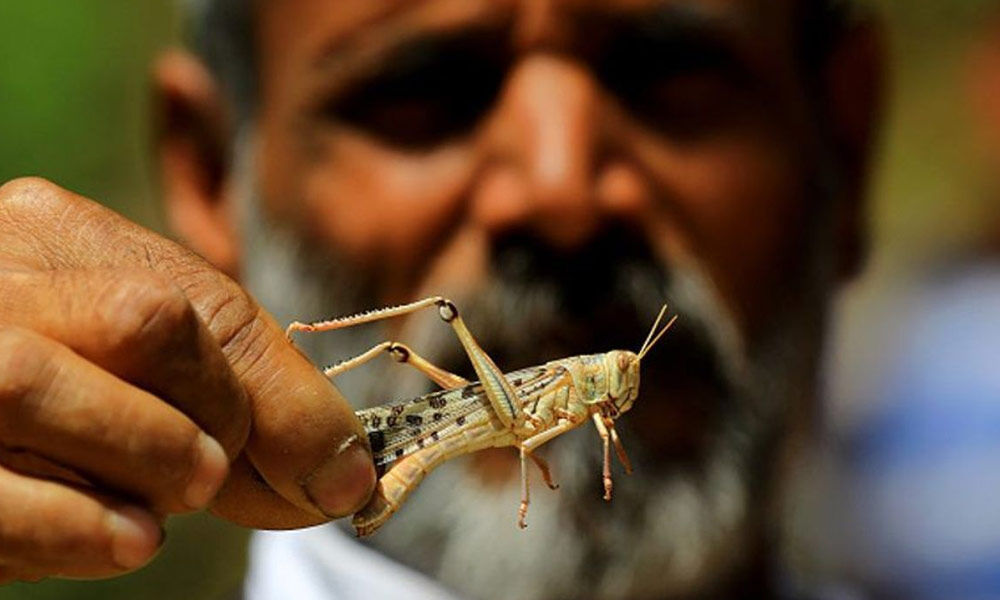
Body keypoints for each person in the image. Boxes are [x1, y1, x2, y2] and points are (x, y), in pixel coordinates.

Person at [0, 0, 884, 597]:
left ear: (844, 146)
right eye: (421, 91)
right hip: (464, 416)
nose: (561, 191)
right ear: (210, 174)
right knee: (424, 343)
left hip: (496, 416)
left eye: (669, 73)